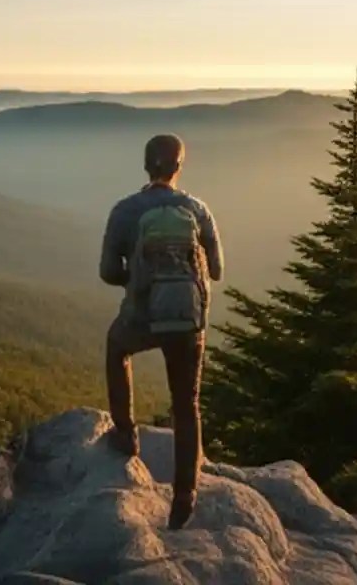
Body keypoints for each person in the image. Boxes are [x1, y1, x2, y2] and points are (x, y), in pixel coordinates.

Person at [99, 133, 223, 530]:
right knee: (186, 405)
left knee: (116, 348)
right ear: (178, 166)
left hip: (142, 317)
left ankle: (125, 434)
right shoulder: (197, 209)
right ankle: (185, 494)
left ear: (146, 166)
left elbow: (107, 271)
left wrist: (138, 281)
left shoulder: (125, 211)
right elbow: (217, 269)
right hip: (188, 322)